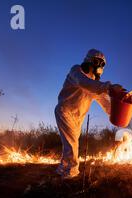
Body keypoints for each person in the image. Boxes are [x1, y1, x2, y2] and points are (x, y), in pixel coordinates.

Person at [54, 49, 126, 178]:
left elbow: (105, 103)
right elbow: (84, 83)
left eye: (103, 64)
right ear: (91, 61)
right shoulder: (76, 71)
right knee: (71, 143)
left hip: (77, 117)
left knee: (71, 143)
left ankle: (63, 167)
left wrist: (117, 113)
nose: (101, 67)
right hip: (65, 110)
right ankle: (70, 173)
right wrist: (109, 87)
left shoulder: (95, 85)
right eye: (100, 63)